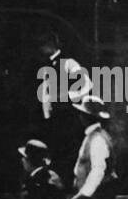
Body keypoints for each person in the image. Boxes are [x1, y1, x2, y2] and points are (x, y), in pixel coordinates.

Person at [37, 36, 89, 186]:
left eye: (43, 45)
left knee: (69, 151)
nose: (41, 49)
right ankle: (59, 185)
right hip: (56, 118)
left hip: (69, 117)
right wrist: (47, 115)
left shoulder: (69, 63)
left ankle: (69, 184)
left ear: (51, 45)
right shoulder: (47, 65)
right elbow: (46, 93)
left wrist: (69, 96)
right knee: (57, 151)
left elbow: (86, 85)